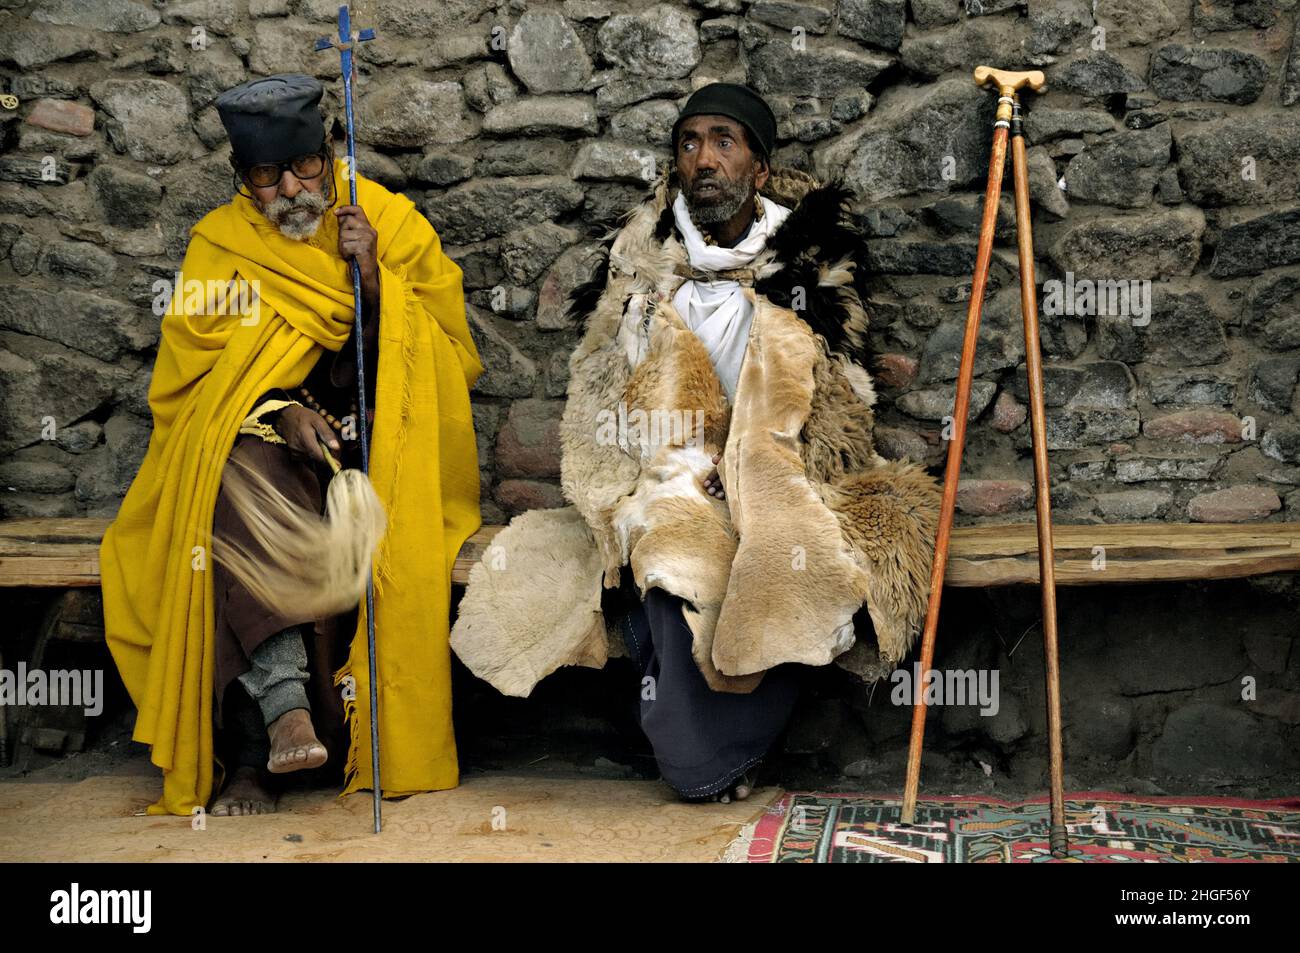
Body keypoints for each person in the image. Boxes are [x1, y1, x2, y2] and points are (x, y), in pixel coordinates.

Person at [452, 83, 941, 805]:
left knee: (780, 552)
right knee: (666, 546)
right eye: (689, 143)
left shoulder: (807, 267)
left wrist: (753, 470)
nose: (703, 159)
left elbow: (839, 405)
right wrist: (670, 466)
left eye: (723, 142)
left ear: (759, 169)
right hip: (664, 466)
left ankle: (719, 748)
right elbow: (600, 394)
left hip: (774, 469)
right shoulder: (641, 268)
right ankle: (698, 754)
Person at [100, 74, 484, 817]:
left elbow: (449, 356)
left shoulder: (390, 225)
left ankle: (266, 749)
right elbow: (191, 390)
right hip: (264, 445)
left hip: (374, 445)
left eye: (306, 168)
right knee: (231, 478)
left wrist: (374, 281)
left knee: (269, 493)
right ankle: (274, 725)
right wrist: (275, 412)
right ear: (243, 182)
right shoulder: (221, 246)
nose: (292, 190)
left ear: (331, 154)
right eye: (267, 177)